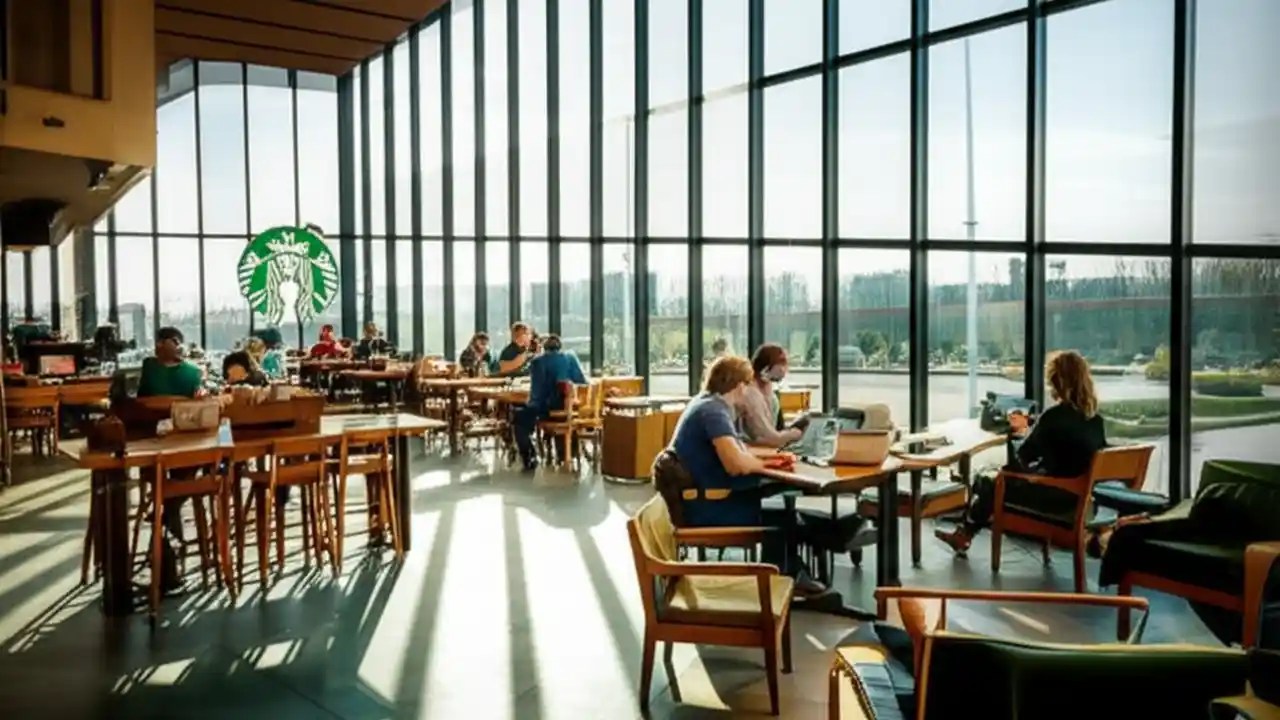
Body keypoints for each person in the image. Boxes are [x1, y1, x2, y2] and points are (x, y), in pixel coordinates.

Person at [666, 356, 827, 594]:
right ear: (740, 385)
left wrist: (768, 461)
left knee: (780, 508)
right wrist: (767, 467)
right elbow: (736, 465)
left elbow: (739, 452)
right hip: (709, 509)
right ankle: (785, 583)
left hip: (701, 499)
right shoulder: (714, 412)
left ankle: (789, 577)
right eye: (748, 385)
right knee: (783, 517)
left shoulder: (705, 403)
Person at [935, 350, 1108, 555]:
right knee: (997, 476)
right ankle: (965, 532)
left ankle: (965, 533)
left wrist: (1019, 432)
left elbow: (1024, 456)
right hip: (1082, 500)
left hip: (1055, 500)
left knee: (989, 479)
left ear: (1055, 382)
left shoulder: (1053, 417)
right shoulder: (1095, 421)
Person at [512, 334, 587, 470]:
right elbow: (581, 382)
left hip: (546, 409)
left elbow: (537, 394)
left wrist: (528, 405)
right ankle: (570, 453)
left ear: (544, 348)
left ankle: (530, 458)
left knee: (518, 419)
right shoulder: (570, 358)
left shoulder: (537, 362)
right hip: (568, 411)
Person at [737, 343, 810, 448]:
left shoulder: (771, 394)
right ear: (766, 365)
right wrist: (795, 434)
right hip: (755, 449)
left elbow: (776, 430)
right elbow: (768, 437)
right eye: (781, 362)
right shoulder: (751, 394)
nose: (784, 368)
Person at [138, 326, 203, 398]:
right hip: (148, 408)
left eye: (162, 341)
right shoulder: (149, 365)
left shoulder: (192, 371)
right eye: (157, 341)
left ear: (177, 344)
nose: (157, 345)